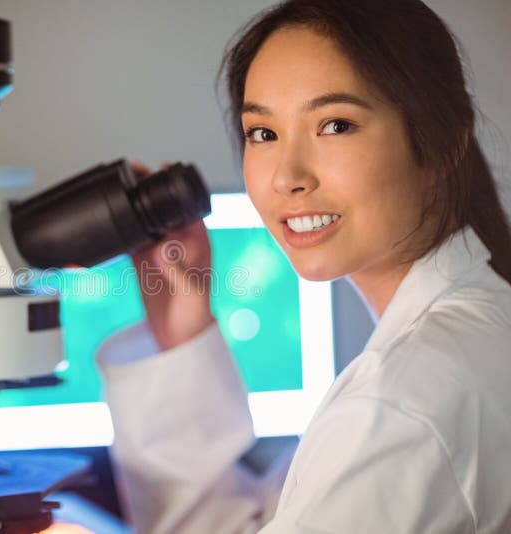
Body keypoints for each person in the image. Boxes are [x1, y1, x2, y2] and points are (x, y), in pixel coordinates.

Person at [95, 0, 511, 532]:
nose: (287, 177)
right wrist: (179, 324)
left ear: (443, 144)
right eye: (262, 133)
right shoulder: (461, 338)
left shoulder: (400, 406)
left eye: (335, 125)